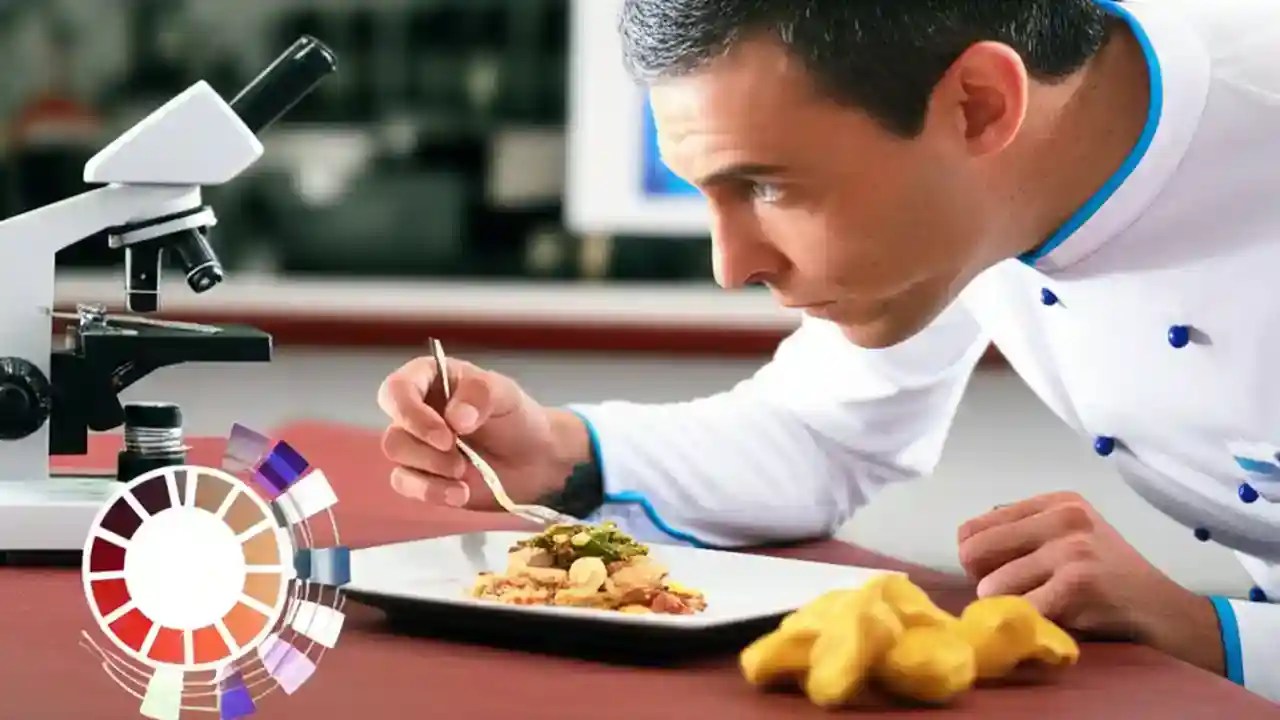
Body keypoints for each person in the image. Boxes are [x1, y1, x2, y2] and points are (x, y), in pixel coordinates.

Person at [378, 0, 1280, 703]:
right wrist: (558, 452)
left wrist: (1210, 632)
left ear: (979, 104)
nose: (733, 267)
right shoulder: (1009, 157)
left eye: (767, 185)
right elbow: (824, 433)